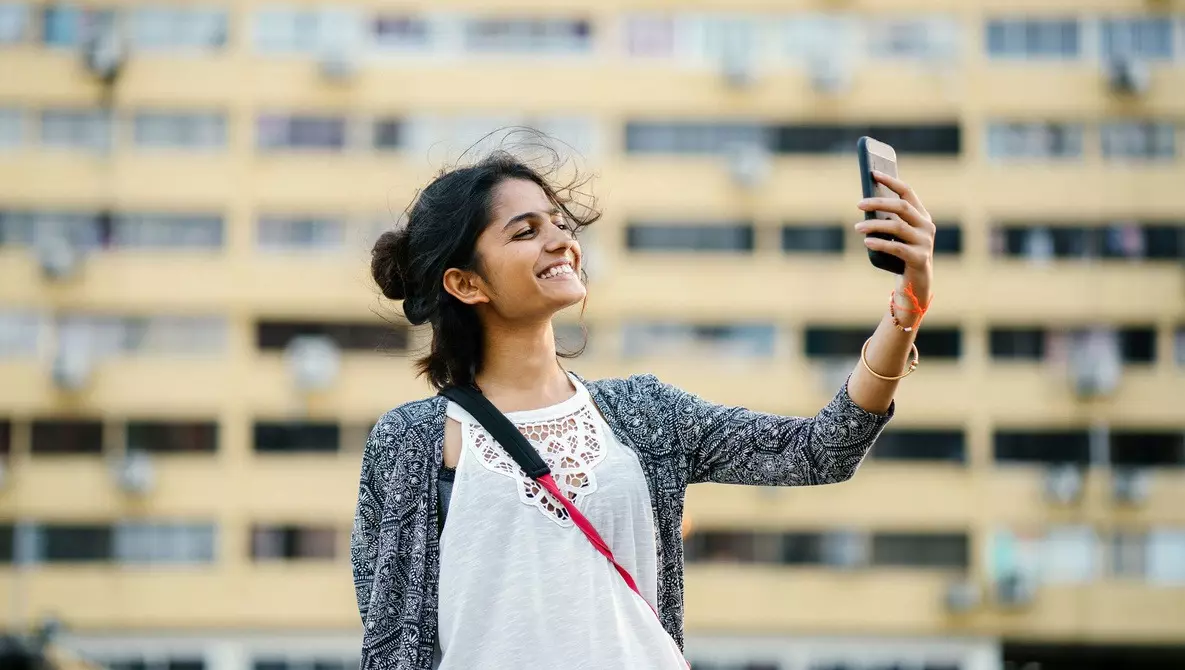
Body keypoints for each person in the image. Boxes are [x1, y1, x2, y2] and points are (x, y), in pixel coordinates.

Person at [352, 141, 936, 670]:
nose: (562, 240)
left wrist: (906, 310)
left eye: (559, 223)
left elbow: (816, 452)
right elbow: (387, 640)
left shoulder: (643, 413)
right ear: (466, 284)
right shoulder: (414, 441)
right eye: (525, 232)